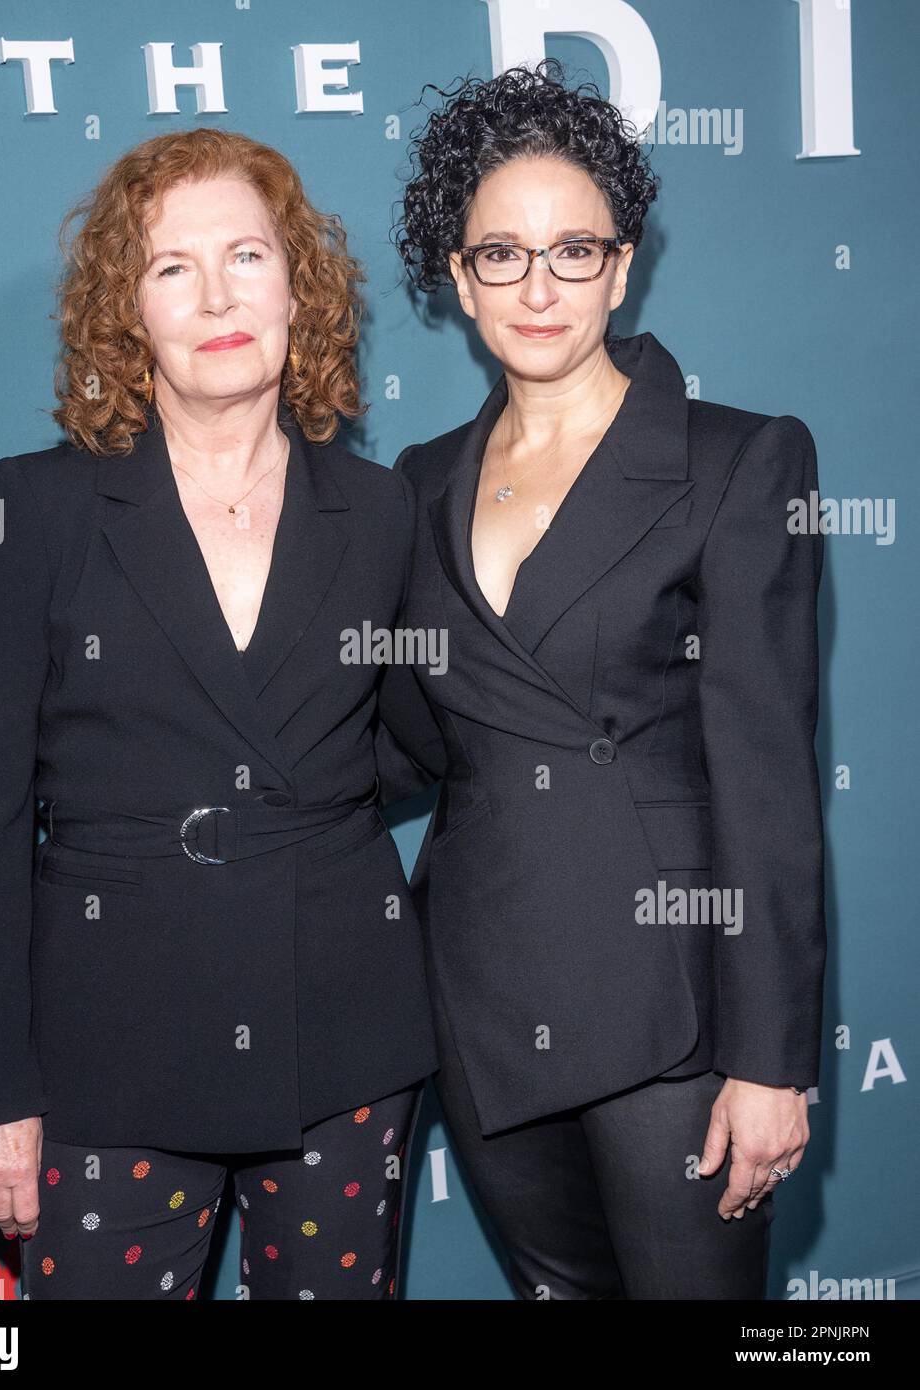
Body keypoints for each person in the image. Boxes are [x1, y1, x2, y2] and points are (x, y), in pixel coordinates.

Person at [0, 126, 438, 1300]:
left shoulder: (378, 509)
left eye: (247, 256)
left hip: (343, 1034)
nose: (217, 295)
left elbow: (412, 734)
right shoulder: (40, 507)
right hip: (112, 1045)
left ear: (297, 286)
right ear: (127, 313)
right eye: (172, 268)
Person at [378, 62, 826, 1299]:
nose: (539, 286)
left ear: (622, 268)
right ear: (459, 279)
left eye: (574, 251)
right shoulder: (415, 484)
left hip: (668, 1007)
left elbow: (769, 782)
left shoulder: (737, 460)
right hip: (478, 989)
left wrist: (772, 1060)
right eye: (502, 255)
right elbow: (407, 740)